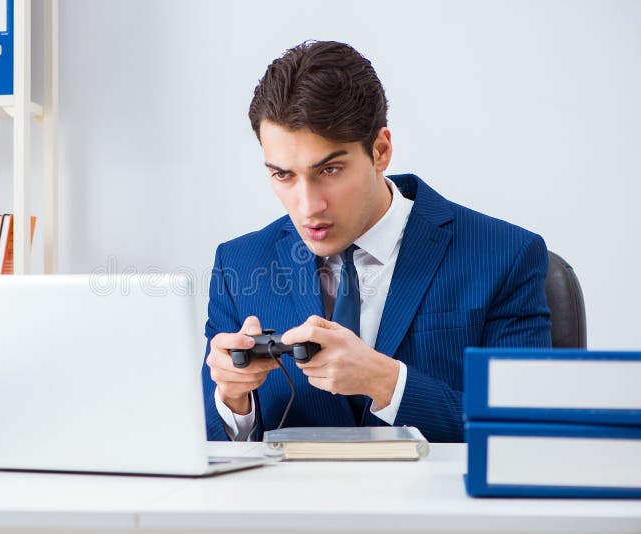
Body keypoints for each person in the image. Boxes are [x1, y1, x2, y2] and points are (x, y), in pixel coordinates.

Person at [201, 40, 551, 443]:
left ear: (381, 150)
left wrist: (387, 383)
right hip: (291, 505)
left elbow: (527, 434)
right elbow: (201, 448)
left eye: (330, 170)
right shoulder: (238, 265)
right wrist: (232, 400)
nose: (308, 205)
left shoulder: (504, 256)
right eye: (283, 175)